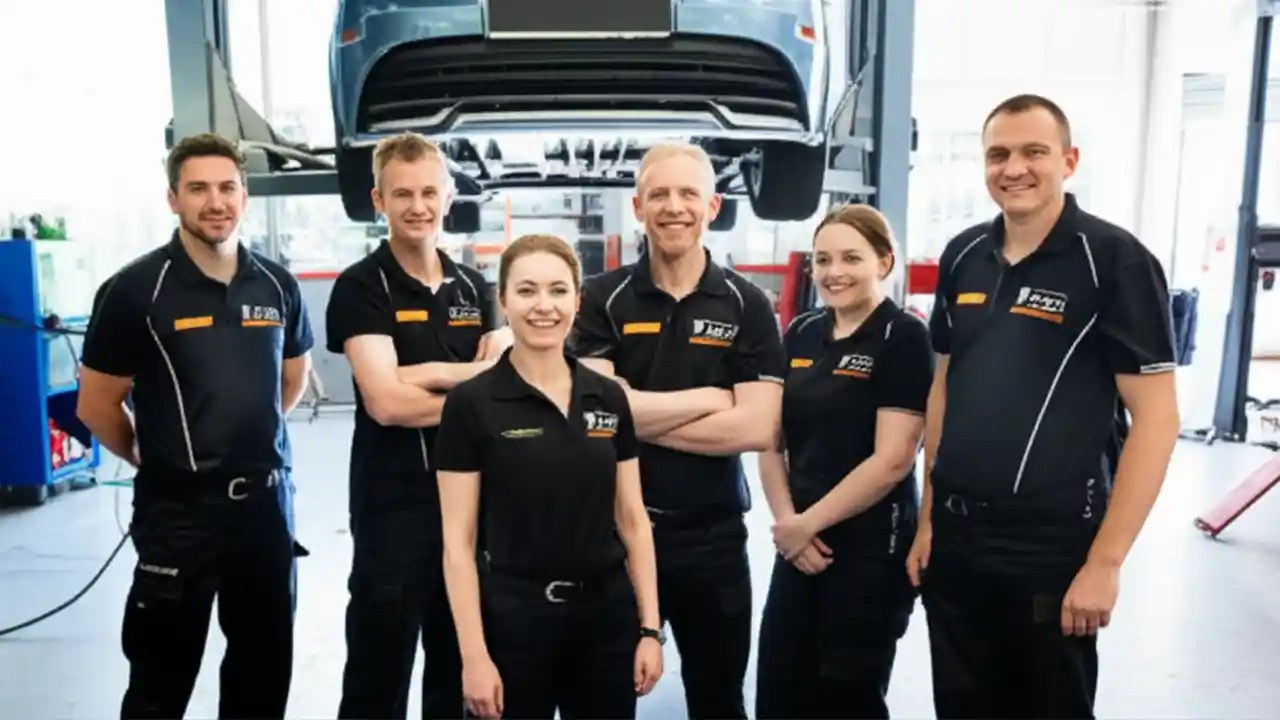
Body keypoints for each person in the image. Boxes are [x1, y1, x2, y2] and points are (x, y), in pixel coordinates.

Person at [908, 93, 1180, 718]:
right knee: (963, 704)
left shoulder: (1114, 261)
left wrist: (1105, 563)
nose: (1014, 168)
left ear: (1069, 160)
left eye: (1034, 152)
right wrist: (928, 519)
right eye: (998, 154)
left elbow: (1158, 421)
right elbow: (944, 387)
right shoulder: (963, 255)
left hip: (1049, 550)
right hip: (957, 540)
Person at [77, 132, 314, 719]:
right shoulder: (135, 291)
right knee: (160, 683)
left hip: (264, 514)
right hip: (178, 517)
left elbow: (292, 379)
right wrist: (156, 458)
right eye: (199, 188)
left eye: (228, 187)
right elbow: (97, 406)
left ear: (244, 195)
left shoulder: (277, 285)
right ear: (173, 199)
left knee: (261, 679)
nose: (216, 202)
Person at [570, 141, 786, 719]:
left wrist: (634, 418)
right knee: (603, 700)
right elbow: (598, 417)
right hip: (614, 536)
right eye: (659, 194)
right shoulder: (600, 298)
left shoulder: (748, 306)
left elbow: (759, 426)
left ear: (712, 206)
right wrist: (710, 401)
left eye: (688, 193)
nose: (674, 207)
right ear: (638, 207)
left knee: (719, 701)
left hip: (712, 540)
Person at [433, 233, 663, 719]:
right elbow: (458, 541)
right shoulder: (471, 405)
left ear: (578, 301)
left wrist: (649, 629)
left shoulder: (608, 397)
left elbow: (633, 519)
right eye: (527, 290)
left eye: (558, 291)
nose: (544, 306)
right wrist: (474, 656)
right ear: (503, 301)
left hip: (605, 620)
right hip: (513, 623)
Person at [326, 132, 510, 719]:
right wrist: (474, 387)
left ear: (449, 196)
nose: (417, 206)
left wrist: (423, 374)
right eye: (402, 194)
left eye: (429, 191)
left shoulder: (473, 287)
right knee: (379, 670)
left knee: (457, 670)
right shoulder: (361, 286)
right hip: (393, 509)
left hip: (471, 509)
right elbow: (386, 403)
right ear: (378, 199)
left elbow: (505, 379)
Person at [755, 204, 932, 719]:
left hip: (870, 549)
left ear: (884, 261)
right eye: (823, 259)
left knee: (846, 697)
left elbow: (894, 459)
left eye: (851, 258)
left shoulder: (904, 337)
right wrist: (790, 525)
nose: (834, 272)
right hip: (798, 544)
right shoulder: (802, 333)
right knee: (780, 689)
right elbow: (771, 440)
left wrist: (807, 524)